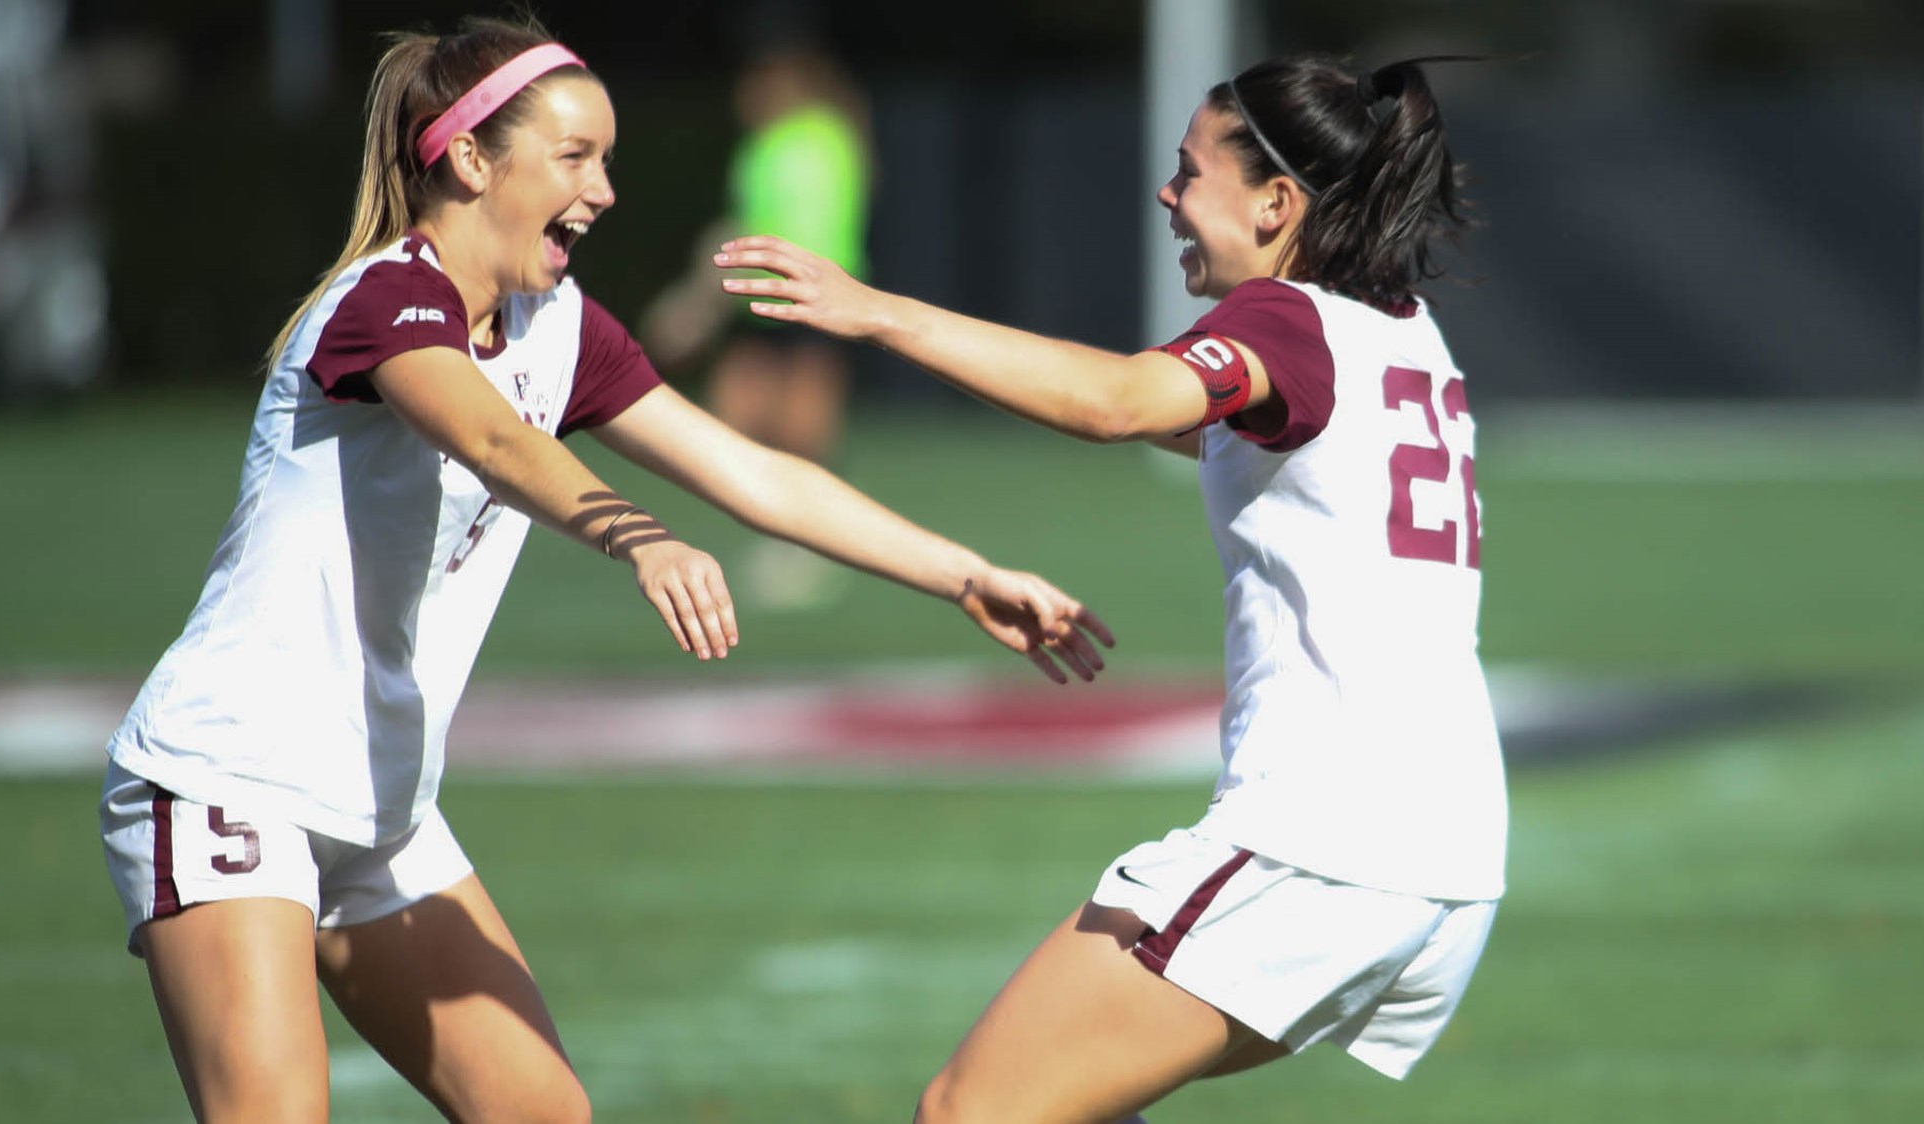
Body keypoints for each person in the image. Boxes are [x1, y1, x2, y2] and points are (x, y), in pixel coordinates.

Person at [97, 17, 1111, 1123]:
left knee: (544, 1111)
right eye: (575, 157)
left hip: (382, 804)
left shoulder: (555, 324)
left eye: (607, 160)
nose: (606, 190)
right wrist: (638, 532)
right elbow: (490, 439)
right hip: (231, 775)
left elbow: (752, 472)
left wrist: (961, 574)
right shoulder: (386, 301)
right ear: (473, 159)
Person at [716, 54, 1505, 1123]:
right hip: (1439, 847)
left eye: (1189, 173)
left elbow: (1114, 400)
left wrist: (880, 314)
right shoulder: (1399, 331)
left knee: (971, 1110)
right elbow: (1189, 426)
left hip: (1325, 838)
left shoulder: (1285, 319)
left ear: (1277, 202)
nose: (1167, 195)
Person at [642, 40, 872, 608]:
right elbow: (745, 221)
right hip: (757, 303)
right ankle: (787, 526)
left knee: (803, 432)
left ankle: (812, 541)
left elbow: (794, 230)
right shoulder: (763, 145)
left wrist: (701, 299)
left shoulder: (819, 140)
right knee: (737, 420)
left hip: (810, 301)